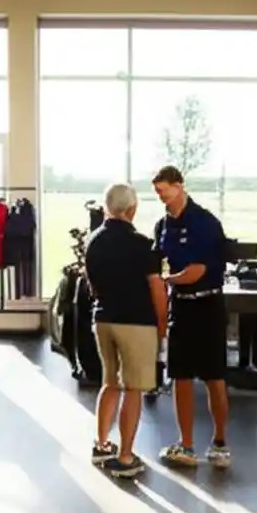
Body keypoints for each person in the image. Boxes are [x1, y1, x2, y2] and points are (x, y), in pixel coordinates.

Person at [83, 182, 167, 478]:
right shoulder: (144, 245)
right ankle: (126, 457)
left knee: (110, 383)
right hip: (136, 323)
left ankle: (101, 444)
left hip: (103, 319)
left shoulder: (92, 241)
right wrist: (162, 326)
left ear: (108, 207)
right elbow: (157, 289)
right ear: (132, 209)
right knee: (133, 388)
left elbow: (92, 285)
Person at [151, 166, 231, 468]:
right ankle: (186, 444)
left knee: (214, 377)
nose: (160, 197)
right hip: (180, 308)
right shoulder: (161, 226)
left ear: (179, 186)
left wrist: (165, 282)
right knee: (180, 376)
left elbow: (197, 271)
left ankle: (220, 443)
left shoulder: (205, 222)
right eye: (157, 192)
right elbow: (155, 263)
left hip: (208, 305)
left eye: (164, 190)